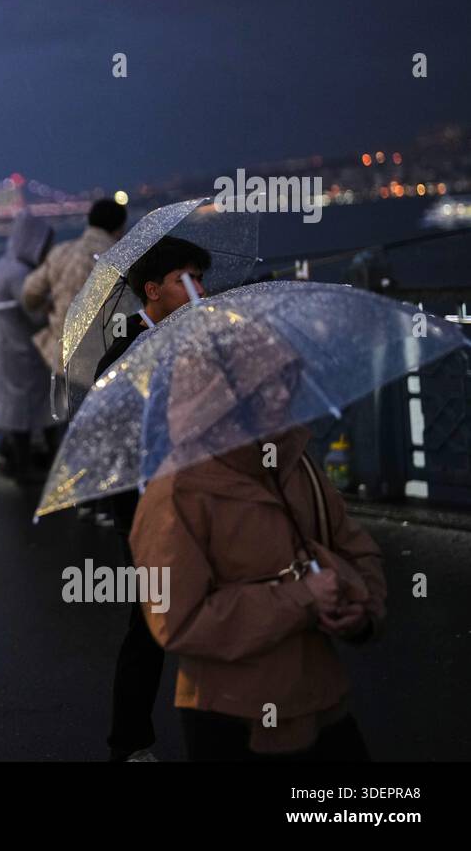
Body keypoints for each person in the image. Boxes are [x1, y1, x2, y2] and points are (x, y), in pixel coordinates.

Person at [130, 339, 386, 761]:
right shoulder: (177, 492)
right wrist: (301, 597)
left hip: (322, 702)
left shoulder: (294, 461)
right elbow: (178, 620)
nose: (283, 395)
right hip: (232, 716)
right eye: (264, 385)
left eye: (286, 379)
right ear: (219, 396)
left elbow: (355, 546)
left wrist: (363, 608)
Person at [95, 236, 210, 762]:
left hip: (194, 503)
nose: (200, 290)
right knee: (150, 628)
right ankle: (130, 743)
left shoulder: (190, 342)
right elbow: (111, 440)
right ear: (152, 291)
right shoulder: (128, 352)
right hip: (147, 511)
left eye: (200, 278)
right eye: (186, 279)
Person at [21, 198, 127, 452]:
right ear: (119, 228)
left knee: (68, 426)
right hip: (105, 359)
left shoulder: (61, 252)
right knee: (105, 429)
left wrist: (48, 306)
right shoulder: (121, 258)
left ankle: (68, 478)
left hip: (64, 356)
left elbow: (29, 292)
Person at [0, 210, 54, 482]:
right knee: (33, 406)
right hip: (23, 350)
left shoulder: (2, 265)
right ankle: (32, 467)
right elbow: (36, 313)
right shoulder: (19, 273)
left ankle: (19, 462)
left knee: (15, 405)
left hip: (6, 347)